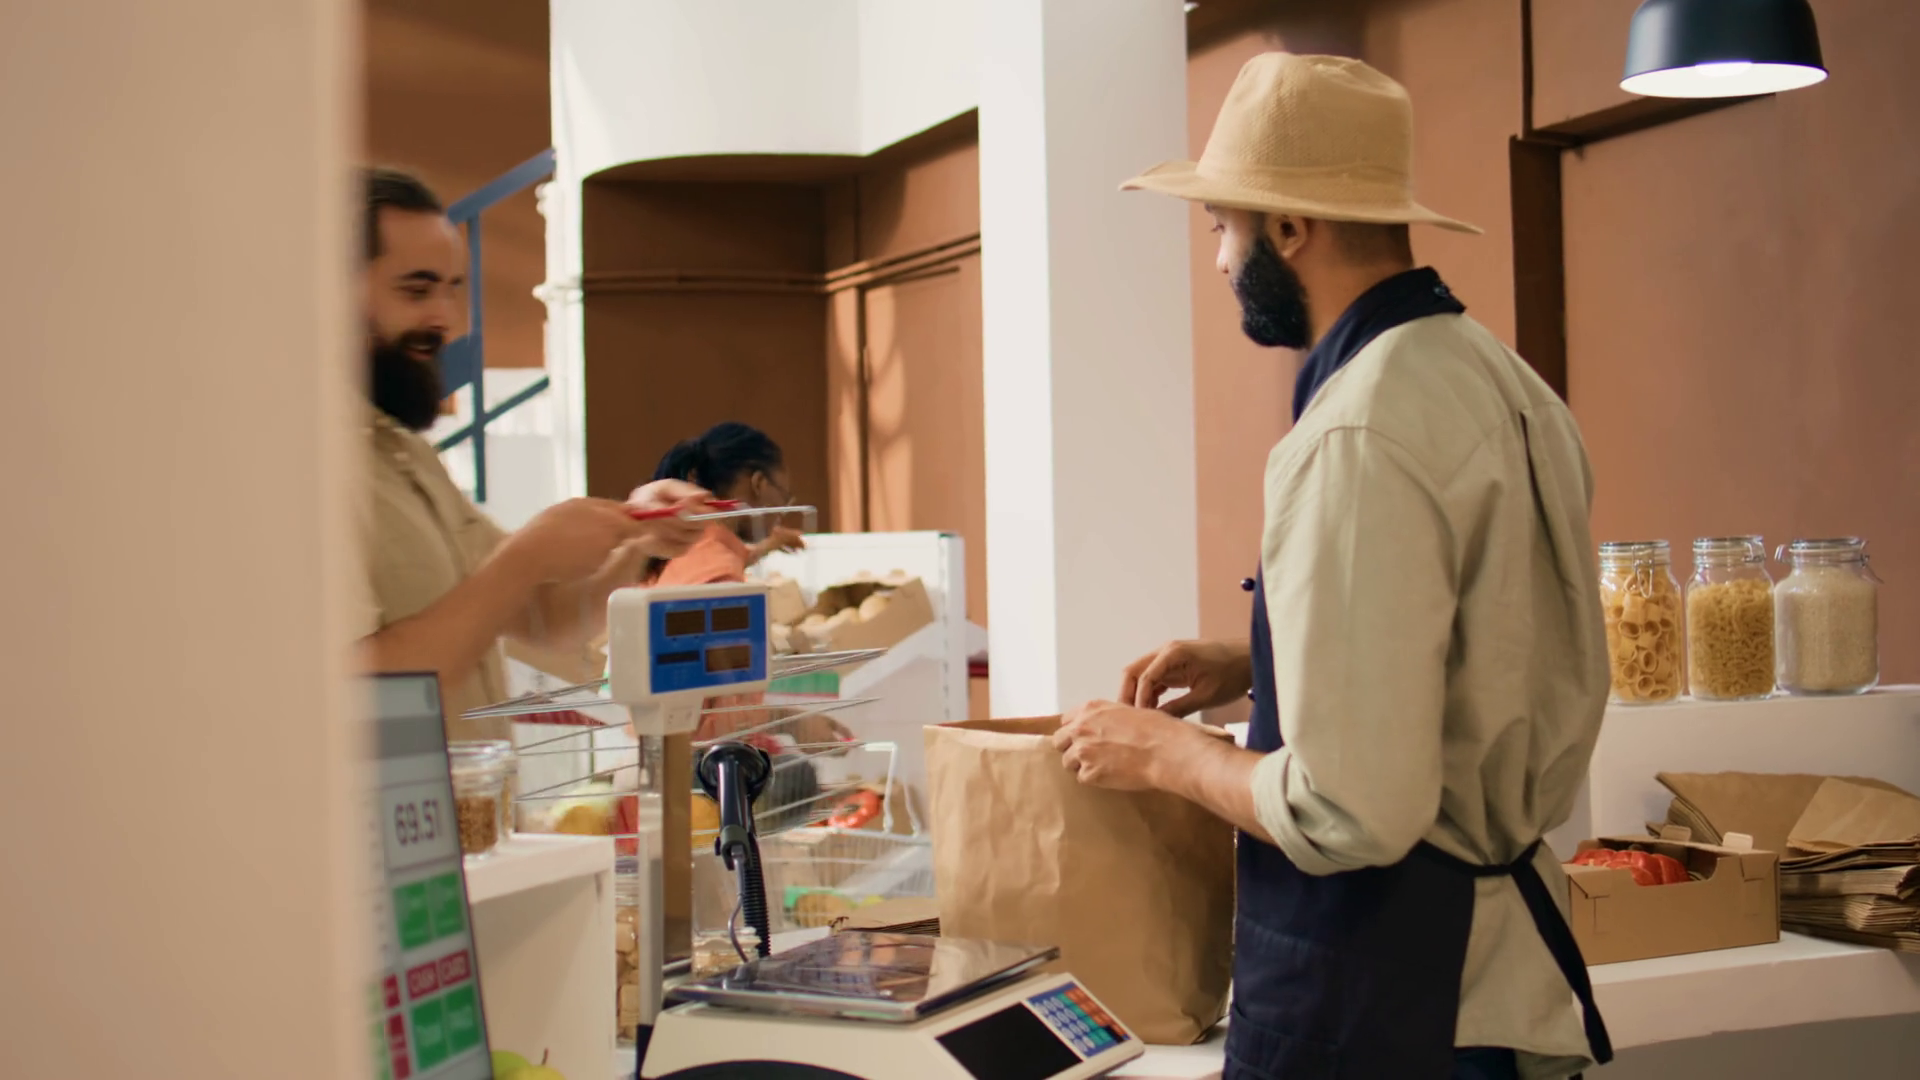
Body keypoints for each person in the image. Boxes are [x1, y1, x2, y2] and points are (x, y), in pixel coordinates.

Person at [1053, 55, 1612, 1080]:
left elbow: (1351, 808)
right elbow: (1483, 648)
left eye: (1222, 226)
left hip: (1392, 1008)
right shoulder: (1506, 382)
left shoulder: (1352, 430)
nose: (1219, 260)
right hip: (1497, 999)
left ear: (1289, 229)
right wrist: (1260, 661)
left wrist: (1163, 755)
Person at [356, 167, 707, 740]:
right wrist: (527, 555)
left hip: (465, 822)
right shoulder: (300, 468)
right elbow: (364, 695)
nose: (447, 320)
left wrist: (639, 537)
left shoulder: (406, 455)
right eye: (416, 291)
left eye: (452, 289)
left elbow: (546, 620)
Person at [646, 422, 806, 587]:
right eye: (784, 498)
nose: (781, 513)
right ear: (759, 484)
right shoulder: (718, 569)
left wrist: (766, 547)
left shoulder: (689, 540)